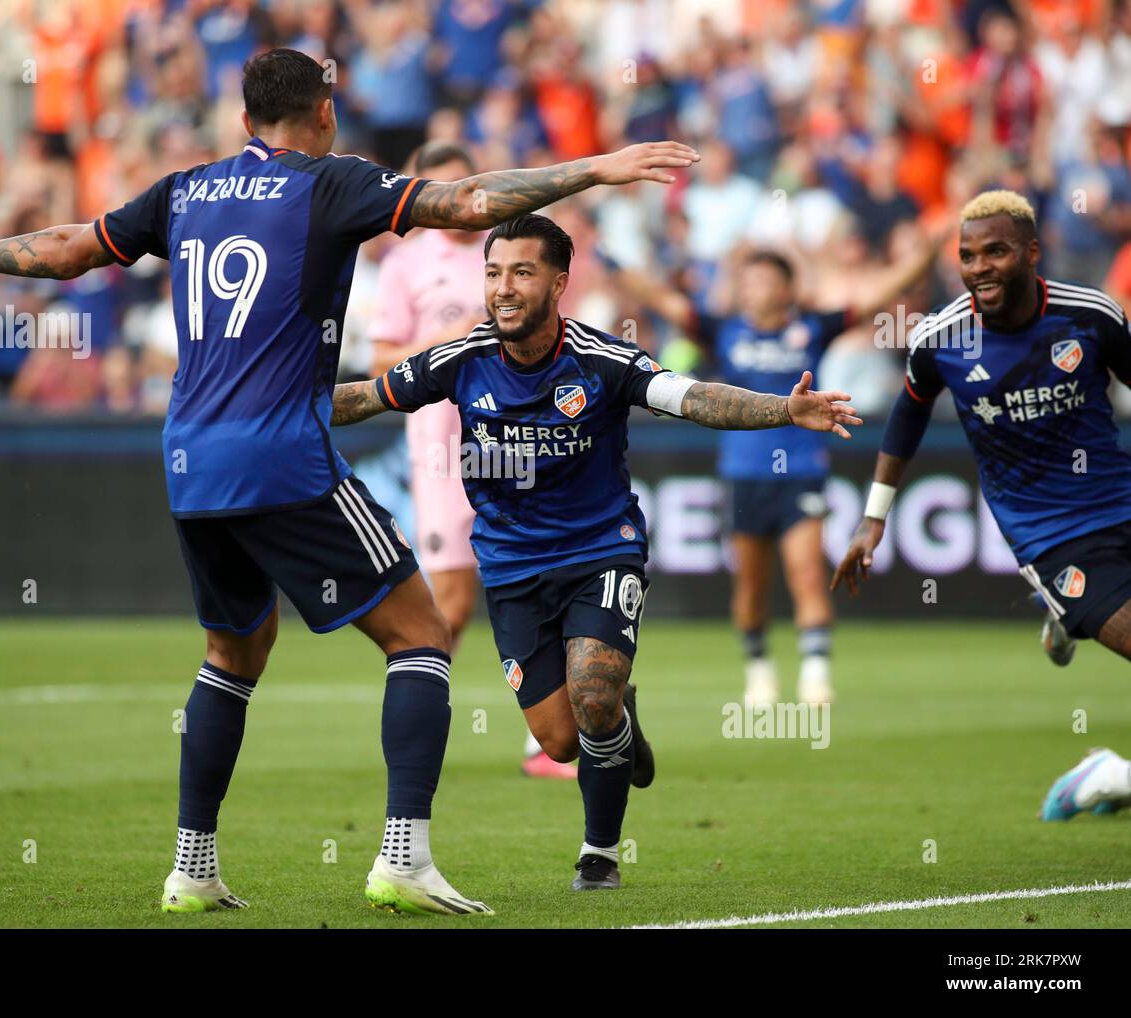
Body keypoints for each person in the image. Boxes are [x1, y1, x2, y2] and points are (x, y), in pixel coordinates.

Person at [0, 49, 701, 916]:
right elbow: (470, 202)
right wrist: (599, 169)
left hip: (189, 461)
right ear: (326, 111)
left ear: (241, 121)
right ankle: (403, 857)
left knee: (232, 654)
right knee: (420, 634)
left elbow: (68, 249)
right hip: (282, 456)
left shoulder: (185, 190)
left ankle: (192, 867)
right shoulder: (329, 182)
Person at [331, 214, 861, 889]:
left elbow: (691, 397)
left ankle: (600, 855)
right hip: (510, 567)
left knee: (592, 690)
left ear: (558, 281)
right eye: (493, 272)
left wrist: (783, 410)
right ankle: (620, 727)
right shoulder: (459, 358)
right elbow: (367, 397)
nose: (503, 287)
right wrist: (276, 405)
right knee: (559, 738)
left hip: (599, 552)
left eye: (522, 271)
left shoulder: (602, 358)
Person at [831, 190, 1131, 821]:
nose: (979, 267)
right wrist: (873, 515)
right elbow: (908, 416)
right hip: (1052, 537)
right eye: (967, 256)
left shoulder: (1091, 315)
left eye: (995, 251)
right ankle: (1104, 772)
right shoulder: (941, 338)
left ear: (1031, 253)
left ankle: (1114, 769)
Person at [600, 236, 942, 707]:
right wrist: (611, 259)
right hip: (742, 474)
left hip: (802, 471)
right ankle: (759, 673)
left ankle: (816, 677)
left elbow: (876, 296)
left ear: (787, 289)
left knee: (805, 571)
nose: (752, 288)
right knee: (751, 583)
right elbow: (663, 299)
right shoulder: (722, 330)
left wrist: (924, 251)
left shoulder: (813, 328)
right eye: (747, 280)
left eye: (764, 280)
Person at [367, 141, 576, 780]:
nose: (460, 205)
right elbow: (380, 365)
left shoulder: (511, 255)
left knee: (545, 583)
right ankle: (418, 722)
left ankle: (555, 737)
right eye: (446, 193)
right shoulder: (406, 264)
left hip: (520, 438)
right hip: (440, 451)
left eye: (469, 192)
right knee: (452, 601)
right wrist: (447, 344)